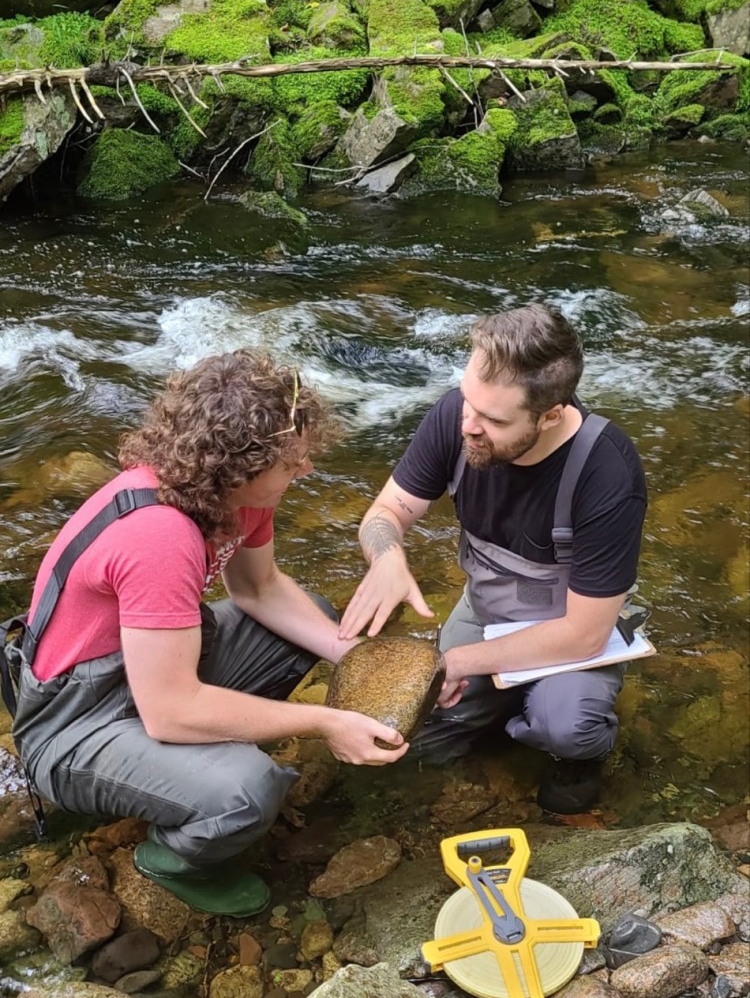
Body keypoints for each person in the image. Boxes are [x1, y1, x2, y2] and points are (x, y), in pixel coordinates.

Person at [6, 351, 407, 917]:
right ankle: (170, 855)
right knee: (249, 789)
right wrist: (324, 722)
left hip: (147, 678)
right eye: (292, 461)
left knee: (309, 616)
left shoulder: (237, 497)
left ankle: (193, 770)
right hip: (75, 725)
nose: (308, 470)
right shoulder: (160, 536)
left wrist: (363, 659)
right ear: (239, 464)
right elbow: (169, 710)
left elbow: (260, 590)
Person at [339, 304, 647, 816]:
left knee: (563, 724)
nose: (469, 426)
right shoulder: (458, 416)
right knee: (417, 730)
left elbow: (584, 634)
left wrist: (452, 663)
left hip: (570, 625)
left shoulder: (606, 474)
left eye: (494, 419)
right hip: (488, 608)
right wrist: (387, 555)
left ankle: (582, 756)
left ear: (550, 415)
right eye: (468, 403)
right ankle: (497, 715)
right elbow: (386, 510)